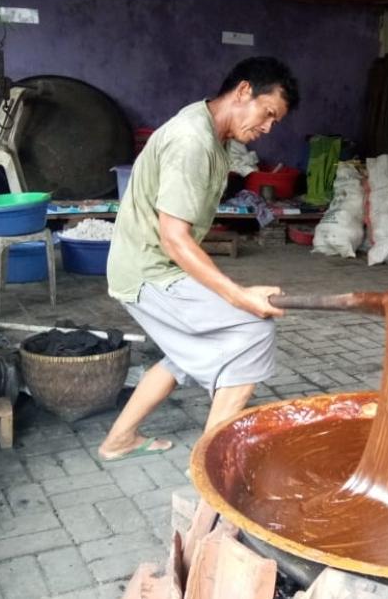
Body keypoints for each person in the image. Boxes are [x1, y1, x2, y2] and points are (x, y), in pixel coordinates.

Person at [98, 56, 300, 463]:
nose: (267, 128)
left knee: (190, 349)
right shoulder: (192, 141)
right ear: (244, 91)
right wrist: (239, 296)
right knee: (251, 332)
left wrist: (231, 293)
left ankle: (118, 440)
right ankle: (211, 468)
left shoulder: (210, 130)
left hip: (149, 263)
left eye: (275, 121)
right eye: (268, 114)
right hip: (149, 270)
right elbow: (175, 239)